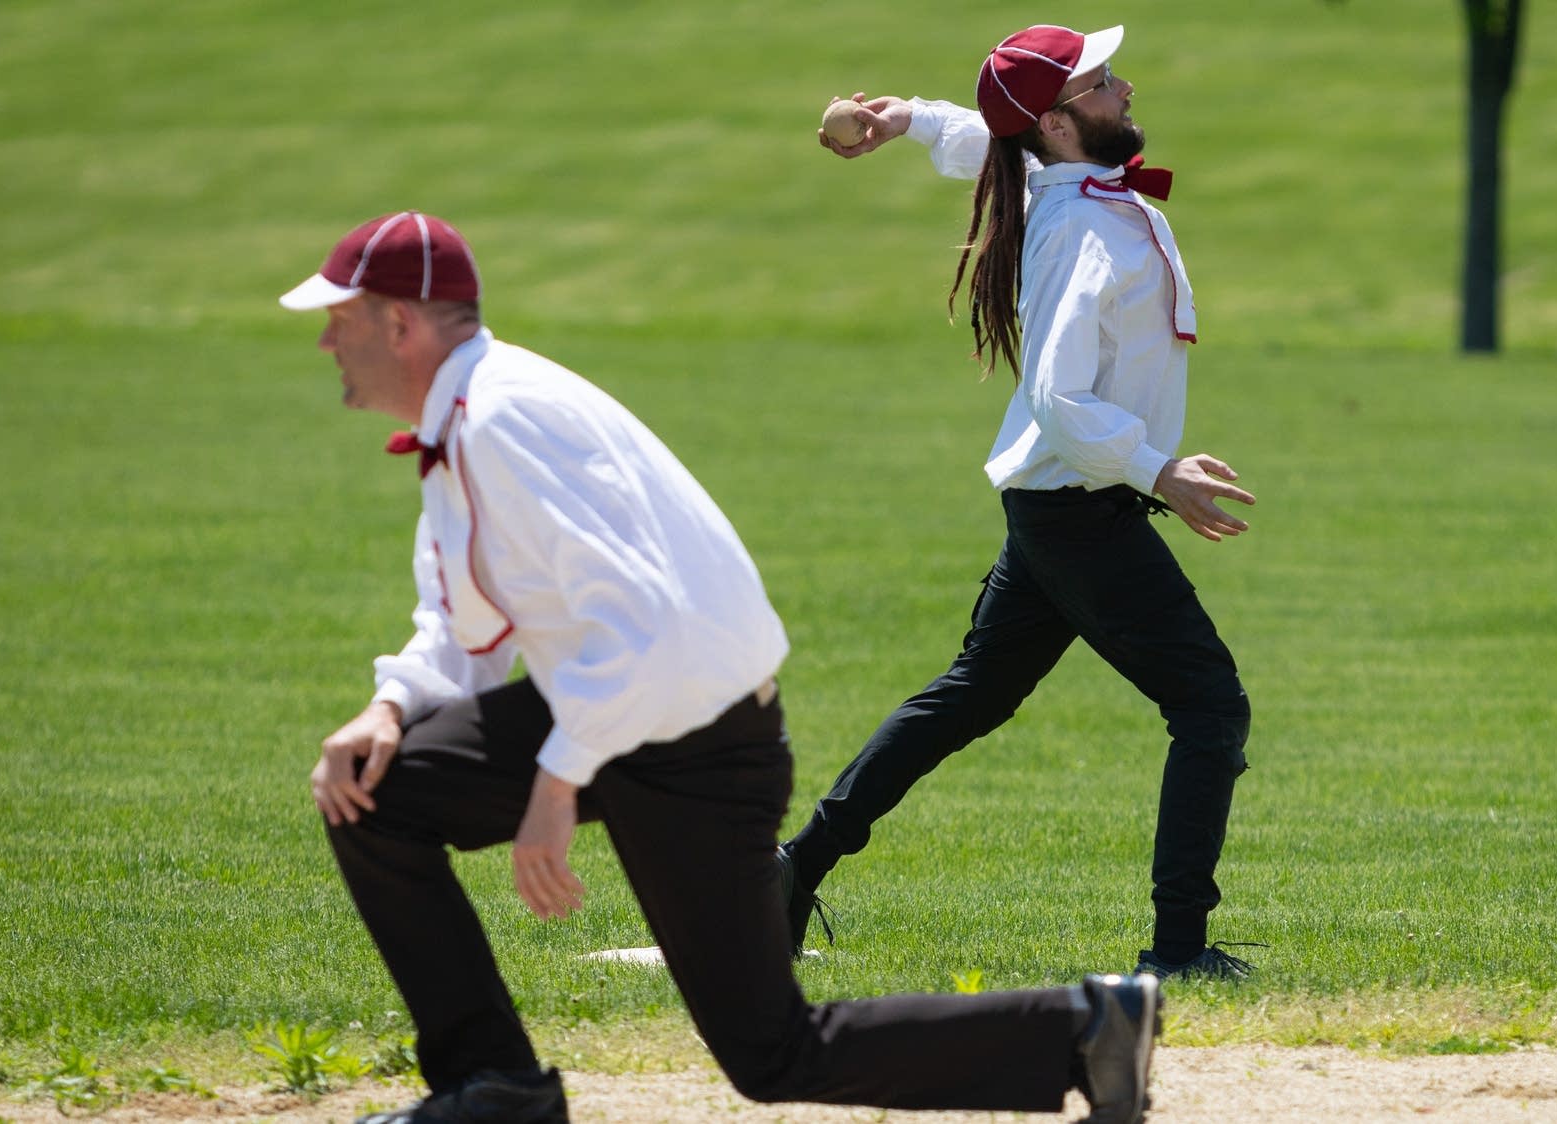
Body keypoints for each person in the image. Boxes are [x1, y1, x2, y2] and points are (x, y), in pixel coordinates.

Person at [281, 211, 1161, 1124]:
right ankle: (492, 1086)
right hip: (627, 711)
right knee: (375, 788)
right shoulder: (466, 420)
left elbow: (640, 624)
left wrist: (552, 787)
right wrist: (391, 706)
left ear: (399, 324)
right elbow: (465, 618)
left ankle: (1083, 1029)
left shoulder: (504, 417)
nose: (325, 340)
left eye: (339, 318)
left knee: (770, 1051)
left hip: (699, 740)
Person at [783, 24, 1259, 981]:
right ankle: (1176, 952)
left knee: (970, 698)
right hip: (1081, 510)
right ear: (1059, 120)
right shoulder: (1078, 231)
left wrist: (901, 118)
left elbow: (986, 140)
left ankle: (789, 875)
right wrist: (1157, 468)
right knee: (1210, 707)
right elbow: (1058, 398)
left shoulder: (1047, 176)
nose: (1124, 88)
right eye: (1102, 82)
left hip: (1063, 504)